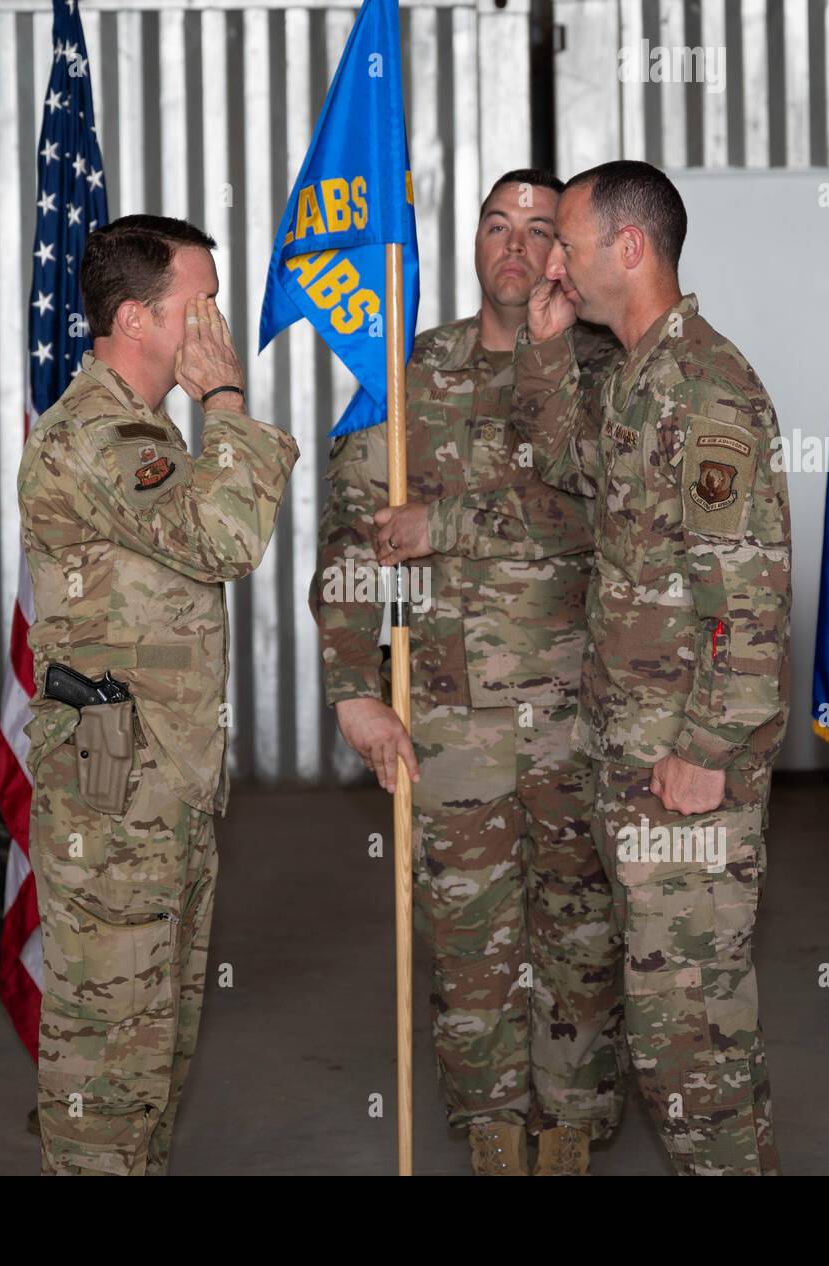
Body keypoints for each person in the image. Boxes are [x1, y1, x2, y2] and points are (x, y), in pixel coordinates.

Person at [313, 170, 626, 1175]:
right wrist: (353, 687)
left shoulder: (605, 372)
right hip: (448, 720)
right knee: (467, 940)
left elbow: (607, 514)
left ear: (565, 256)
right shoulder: (410, 375)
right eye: (498, 224)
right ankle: (492, 1137)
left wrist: (445, 525)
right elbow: (353, 537)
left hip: (585, 717)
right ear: (475, 243)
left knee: (582, 930)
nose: (516, 244)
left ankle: (570, 1132)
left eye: (540, 230)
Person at [513, 160, 790, 1176]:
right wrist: (545, 356)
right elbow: (566, 467)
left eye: (568, 245)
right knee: (669, 1022)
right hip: (626, 754)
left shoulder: (705, 388)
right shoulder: (631, 375)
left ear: (629, 248)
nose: (553, 264)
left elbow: (748, 596)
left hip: (683, 772)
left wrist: (710, 750)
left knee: (689, 1043)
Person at [18, 214, 299, 1175]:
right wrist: (227, 398)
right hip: (115, 797)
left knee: (154, 1044)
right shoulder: (99, 440)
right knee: (109, 1051)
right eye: (201, 304)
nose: (215, 323)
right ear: (137, 320)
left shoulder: (149, 437)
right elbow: (225, 539)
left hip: (161, 780)